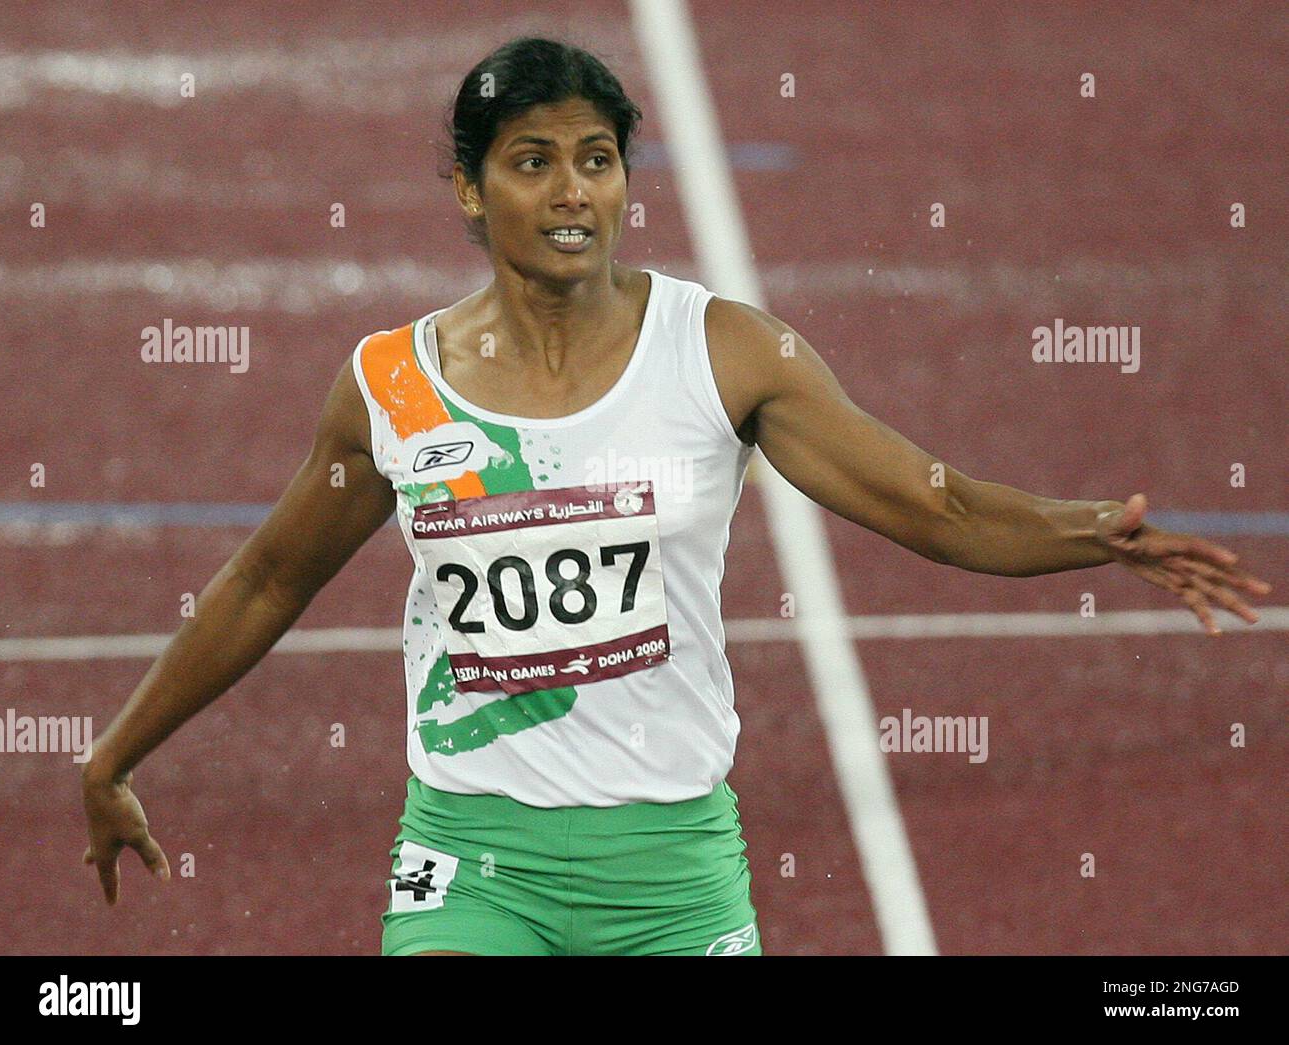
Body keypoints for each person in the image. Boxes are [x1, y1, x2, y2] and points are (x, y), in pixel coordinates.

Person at [81, 37, 1271, 957]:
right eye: (531, 161)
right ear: (465, 186)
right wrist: (114, 755)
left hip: (672, 867)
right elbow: (270, 578)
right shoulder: (391, 385)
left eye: (596, 161)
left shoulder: (724, 352)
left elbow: (935, 504)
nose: (571, 193)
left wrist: (1091, 539)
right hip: (474, 851)